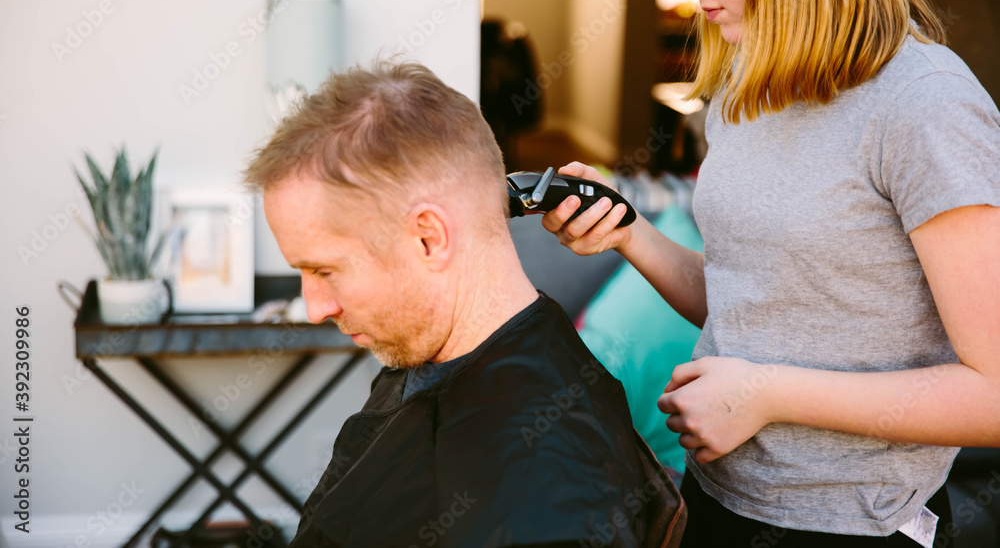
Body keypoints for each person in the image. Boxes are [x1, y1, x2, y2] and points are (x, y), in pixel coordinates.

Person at [541, 0, 1000, 545]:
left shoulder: (925, 107)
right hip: (715, 499)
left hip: (853, 531)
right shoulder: (745, 86)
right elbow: (754, 304)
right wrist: (629, 231)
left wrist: (766, 394)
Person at [241, 62, 686, 548]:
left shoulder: (547, 482)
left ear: (429, 239)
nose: (314, 308)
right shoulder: (424, 348)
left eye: (325, 271)